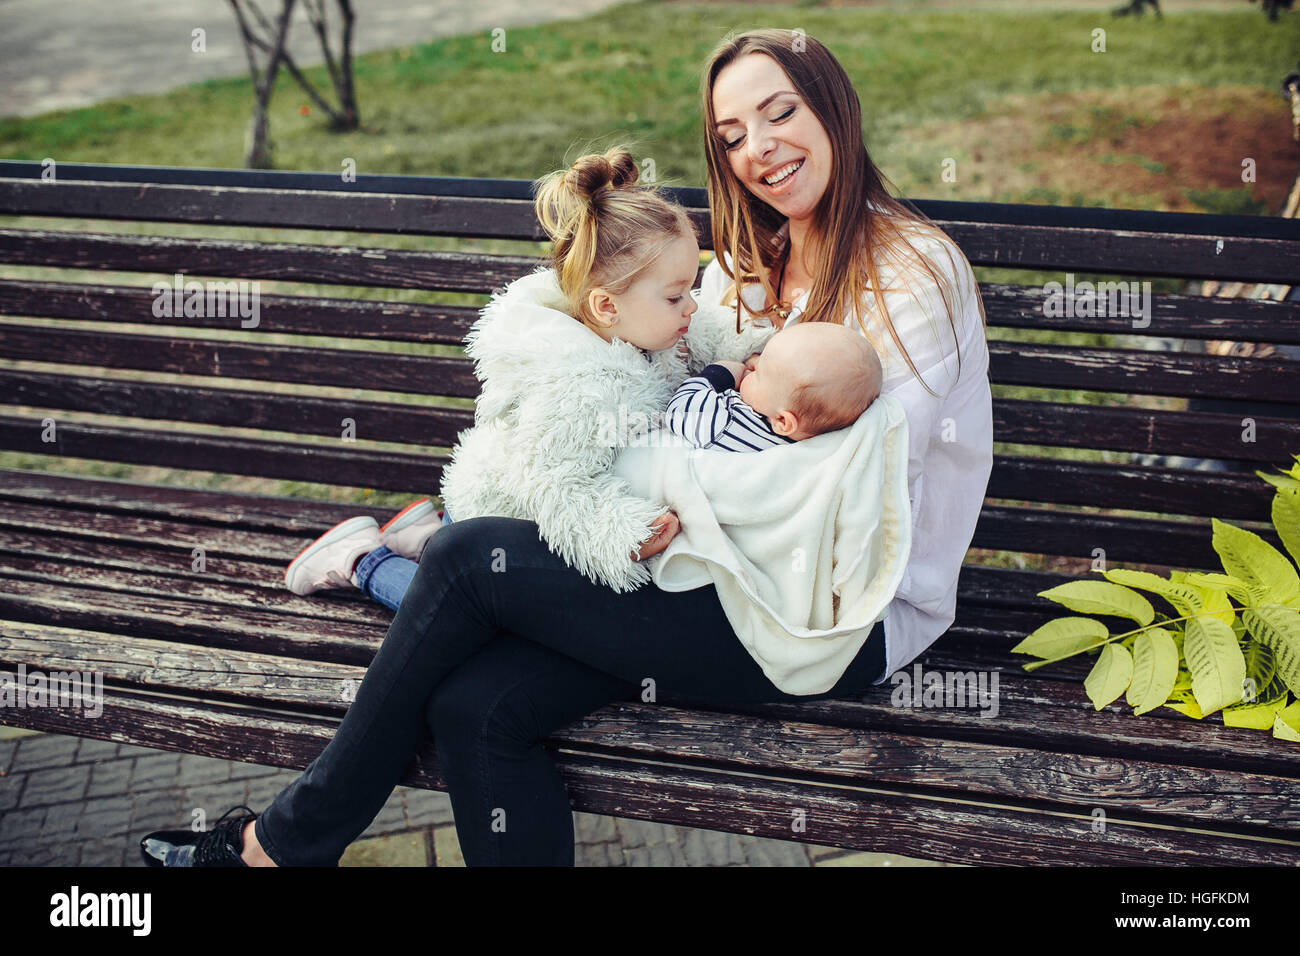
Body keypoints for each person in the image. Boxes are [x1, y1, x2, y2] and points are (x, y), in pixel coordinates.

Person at [138, 26, 993, 867]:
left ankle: (277, 849)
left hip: (832, 619)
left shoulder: (911, 273)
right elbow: (667, 385)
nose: (759, 150)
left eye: (781, 114)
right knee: (474, 707)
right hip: (707, 571)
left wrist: (652, 482)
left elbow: (847, 491)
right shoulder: (743, 261)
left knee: (472, 558)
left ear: (834, 110)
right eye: (732, 136)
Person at [666, 321, 882, 450]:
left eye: (759, 373)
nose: (752, 365)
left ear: (782, 421)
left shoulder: (728, 423)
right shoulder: (824, 447)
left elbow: (679, 411)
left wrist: (719, 373)